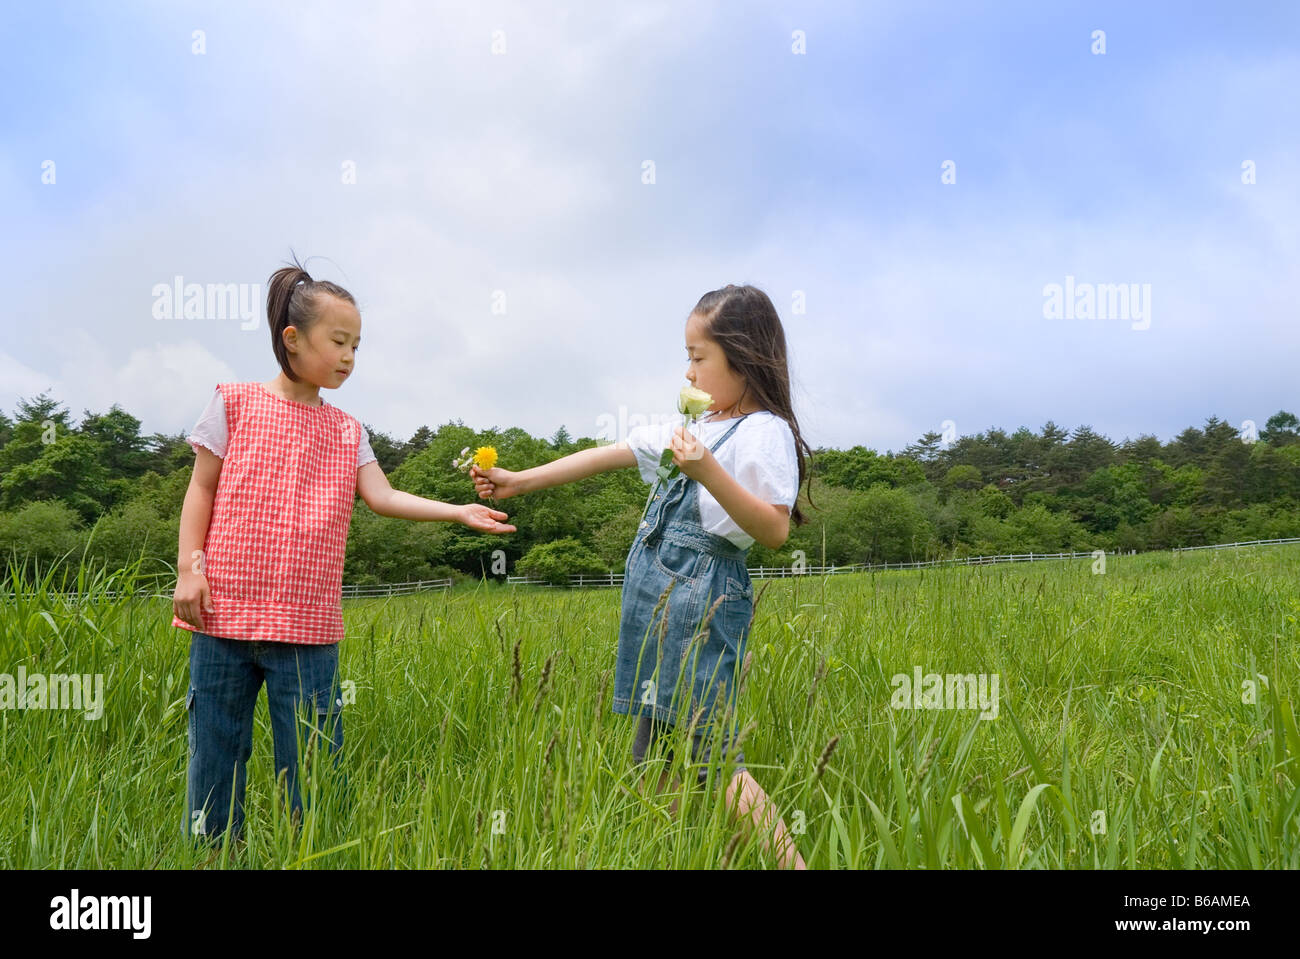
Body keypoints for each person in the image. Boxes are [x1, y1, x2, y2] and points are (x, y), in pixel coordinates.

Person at [172, 257, 515, 847]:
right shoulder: (233, 402)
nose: (350, 356)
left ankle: (313, 853)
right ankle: (212, 859)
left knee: (313, 764)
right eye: (339, 341)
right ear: (293, 338)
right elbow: (200, 489)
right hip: (223, 613)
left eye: (357, 345)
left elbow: (383, 496)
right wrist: (189, 571)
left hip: (307, 626)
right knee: (215, 754)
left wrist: (457, 510)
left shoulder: (347, 429)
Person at [472, 284, 813, 868]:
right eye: (687, 356)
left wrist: (707, 472)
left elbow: (774, 529)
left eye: (699, 357)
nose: (688, 371)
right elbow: (617, 452)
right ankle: (670, 852)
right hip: (656, 596)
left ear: (744, 356)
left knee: (712, 754)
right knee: (651, 746)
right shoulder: (695, 427)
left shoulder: (763, 432)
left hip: (707, 595)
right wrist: (519, 480)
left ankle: (792, 861)